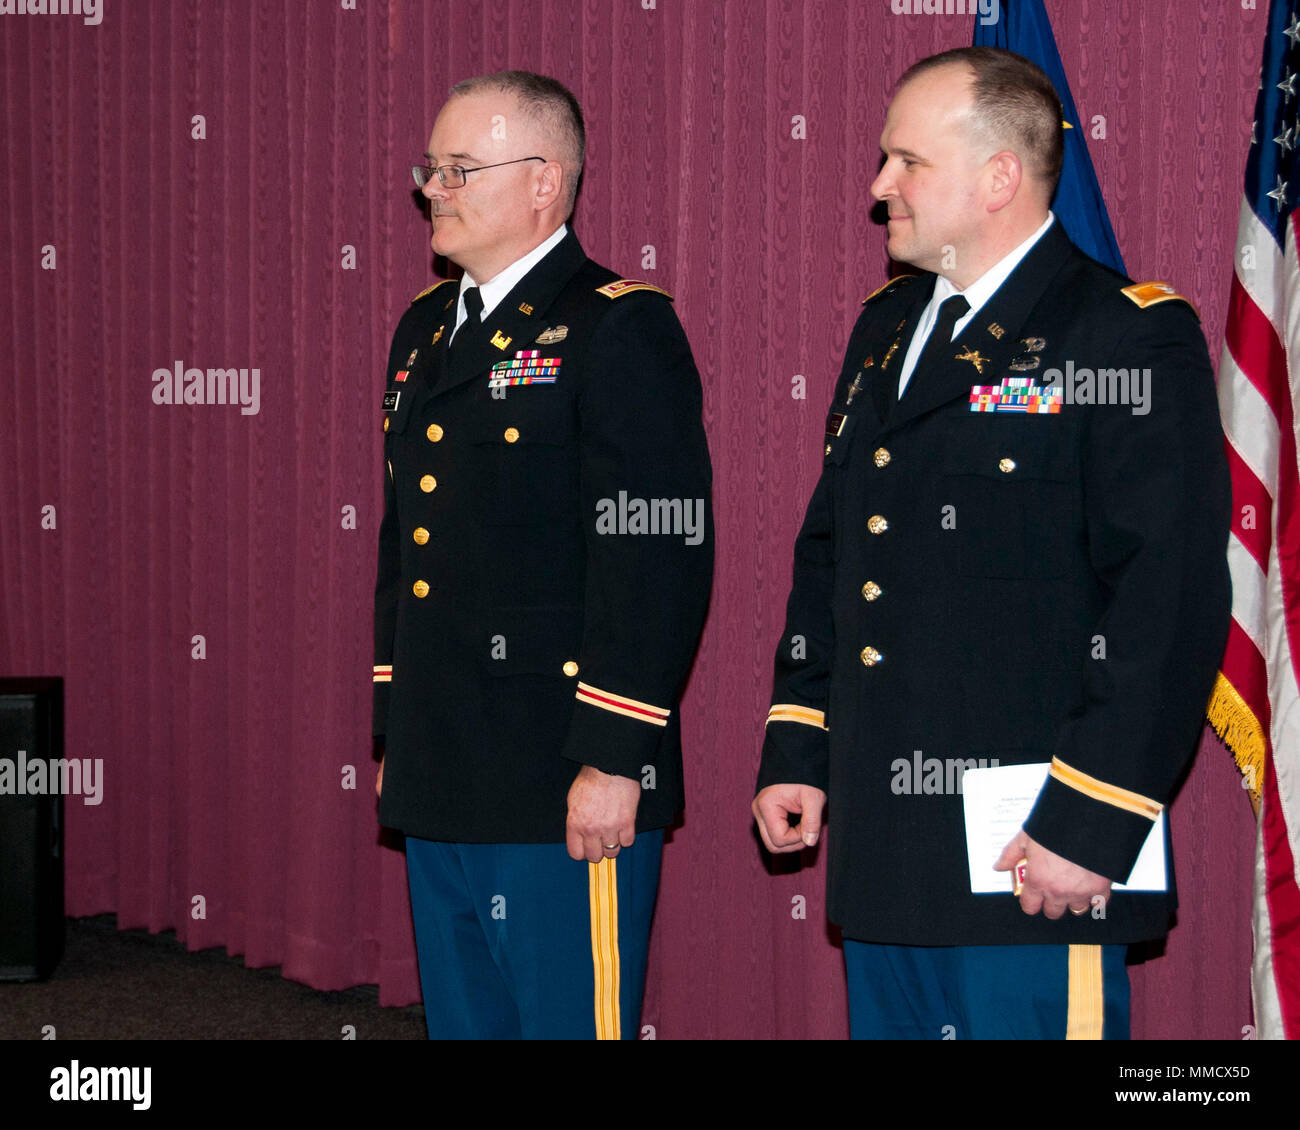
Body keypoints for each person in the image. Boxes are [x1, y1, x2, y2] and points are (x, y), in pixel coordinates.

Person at [752, 46, 1230, 1040]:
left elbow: (1167, 595)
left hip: (1036, 853)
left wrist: (1091, 816)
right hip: (890, 847)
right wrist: (800, 742)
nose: (879, 186)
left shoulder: (1120, 336)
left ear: (999, 177)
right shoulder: (886, 328)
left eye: (905, 161)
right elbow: (833, 549)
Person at [372, 70, 713, 1040]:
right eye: (429, 169)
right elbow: (407, 549)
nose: (432, 188)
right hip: (445, 761)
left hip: (561, 769)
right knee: (466, 1022)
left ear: (543, 182)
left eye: (459, 168)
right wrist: (397, 719)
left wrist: (616, 753)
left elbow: (659, 551)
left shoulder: (618, 323)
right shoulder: (423, 333)